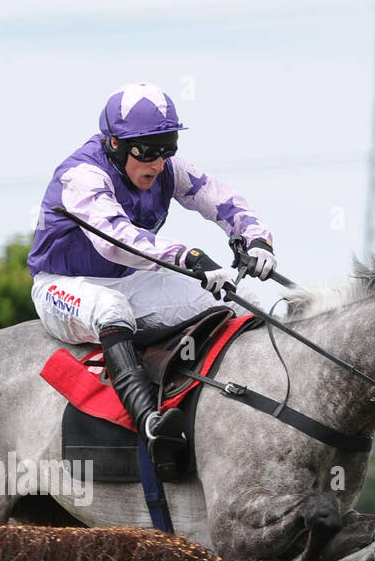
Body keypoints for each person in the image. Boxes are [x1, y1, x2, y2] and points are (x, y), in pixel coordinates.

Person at [28, 81, 276, 451]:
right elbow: (116, 240)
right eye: (147, 153)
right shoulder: (81, 176)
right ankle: (149, 423)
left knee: (238, 302)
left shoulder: (164, 167)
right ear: (116, 144)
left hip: (132, 280)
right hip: (63, 286)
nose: (158, 165)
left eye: (167, 151)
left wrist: (255, 237)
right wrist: (185, 256)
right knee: (112, 308)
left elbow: (221, 200)